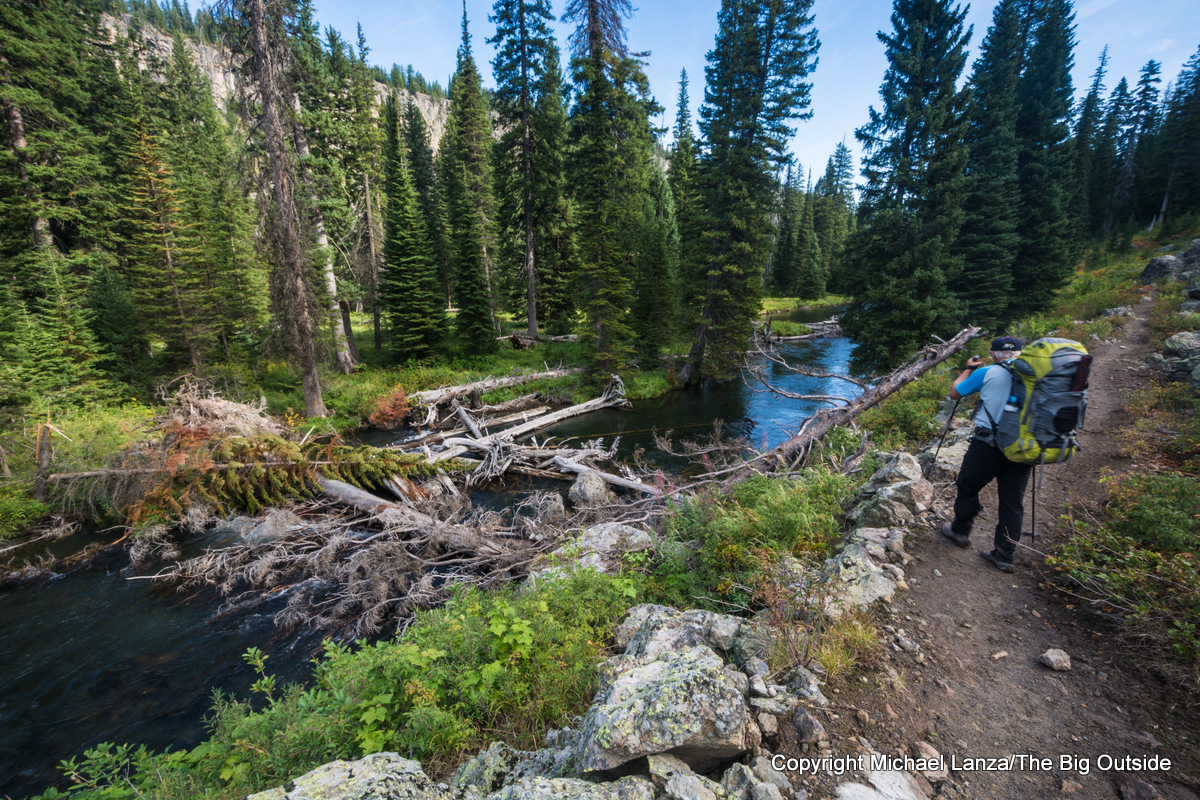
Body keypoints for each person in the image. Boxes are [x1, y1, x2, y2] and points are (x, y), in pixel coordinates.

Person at [939, 336, 1032, 573]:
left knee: (968, 485)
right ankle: (1004, 555)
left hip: (988, 443)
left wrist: (968, 369)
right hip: (1023, 445)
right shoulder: (1038, 375)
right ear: (1021, 354)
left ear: (993, 354)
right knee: (1012, 502)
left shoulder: (987, 372)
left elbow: (954, 394)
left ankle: (960, 531)